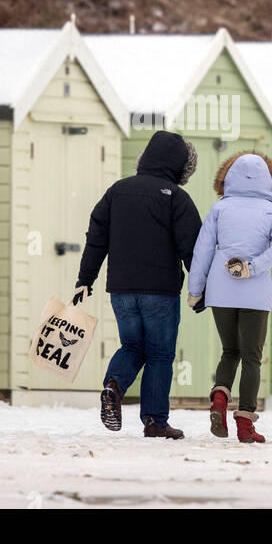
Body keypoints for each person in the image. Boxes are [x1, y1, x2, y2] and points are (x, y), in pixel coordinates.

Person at [74, 130, 201, 439]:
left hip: (121, 291)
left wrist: (85, 279)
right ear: (180, 167)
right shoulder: (177, 198)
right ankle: (155, 422)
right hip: (160, 292)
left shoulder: (117, 191)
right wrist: (200, 290)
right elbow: (192, 248)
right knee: (159, 354)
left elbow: (96, 239)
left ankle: (114, 385)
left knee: (132, 346)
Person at [186, 151, 272, 443]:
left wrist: (196, 291)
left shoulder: (220, 209)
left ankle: (219, 399)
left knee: (229, 352)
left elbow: (202, 251)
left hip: (221, 291)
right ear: (268, 181)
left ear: (229, 178)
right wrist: (253, 267)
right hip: (256, 294)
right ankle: (245, 424)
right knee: (252, 359)